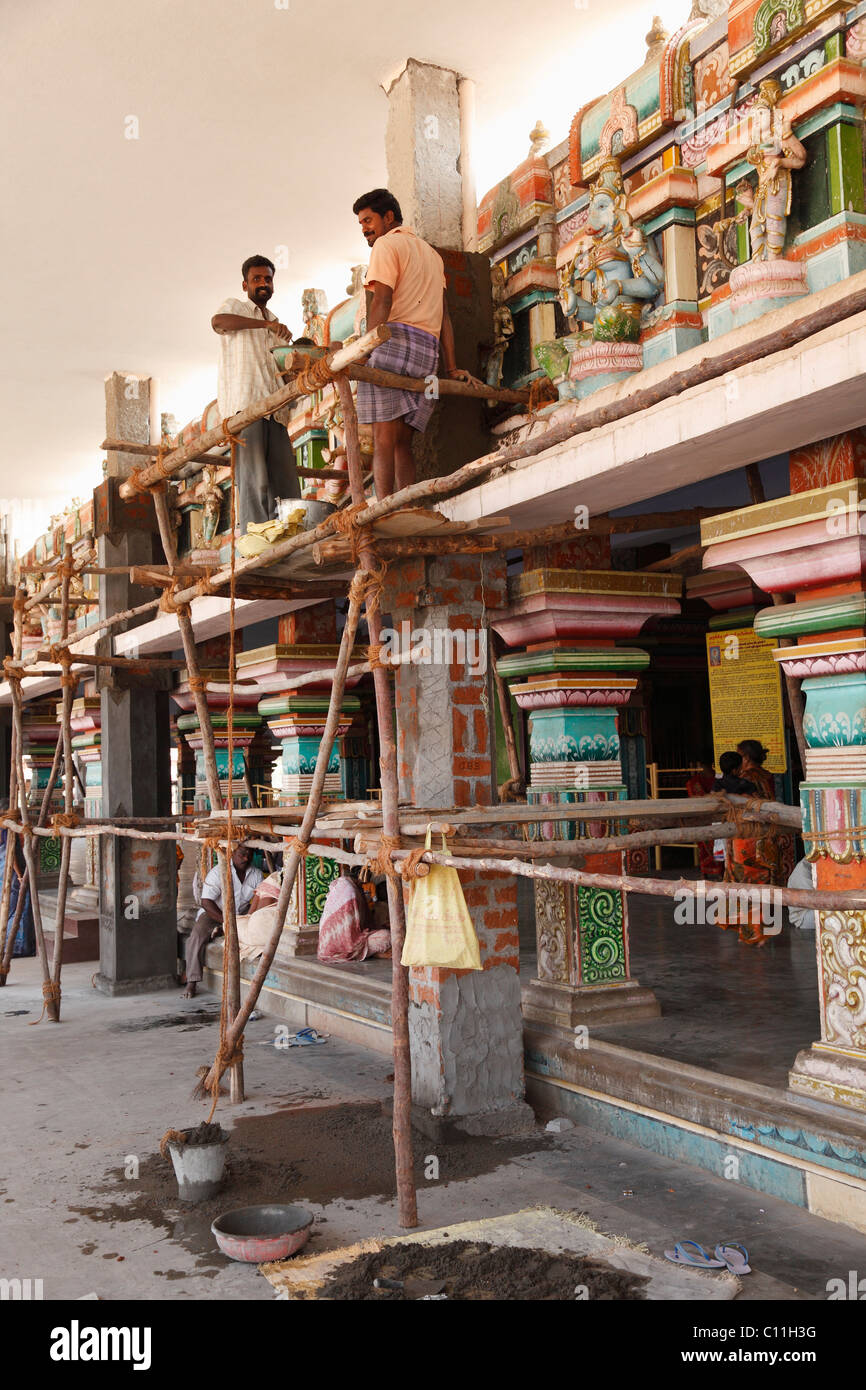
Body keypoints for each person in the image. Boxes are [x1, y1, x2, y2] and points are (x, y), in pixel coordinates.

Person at [352, 188, 479, 498]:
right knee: (402, 441)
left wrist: (364, 350)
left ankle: (383, 507)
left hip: (392, 341)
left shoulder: (386, 244)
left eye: (368, 220)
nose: (365, 229)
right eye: (361, 224)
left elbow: (382, 299)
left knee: (383, 434)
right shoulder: (432, 255)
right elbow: (444, 317)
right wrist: (450, 366)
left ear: (389, 217)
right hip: (427, 352)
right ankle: (406, 502)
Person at [211, 255, 301, 532]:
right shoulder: (235, 307)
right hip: (245, 410)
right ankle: (256, 539)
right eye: (257, 279)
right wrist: (265, 326)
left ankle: (291, 535)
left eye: (268, 279)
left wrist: (297, 370)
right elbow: (218, 322)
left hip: (275, 413)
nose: (263, 284)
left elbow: (281, 372)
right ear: (245, 284)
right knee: (254, 480)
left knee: (286, 481)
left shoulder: (276, 324)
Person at [721, 738, 796, 947]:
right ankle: (757, 929)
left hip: (746, 837)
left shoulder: (743, 778)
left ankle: (754, 932)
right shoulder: (766, 776)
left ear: (744, 758)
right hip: (766, 835)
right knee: (760, 882)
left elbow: (738, 808)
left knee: (746, 884)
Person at [182, 843, 263, 997]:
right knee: (197, 936)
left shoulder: (256, 874)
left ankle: (221, 930)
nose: (246, 858)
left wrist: (249, 919)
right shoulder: (218, 872)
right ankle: (191, 981)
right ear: (232, 853)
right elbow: (206, 902)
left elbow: (258, 900)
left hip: (240, 913)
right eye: (242, 854)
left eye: (250, 854)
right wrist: (226, 921)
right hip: (214, 913)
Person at [317, 866, 391, 963]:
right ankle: (367, 953)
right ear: (362, 876)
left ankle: (368, 952)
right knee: (387, 937)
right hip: (347, 947)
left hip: (324, 948)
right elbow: (355, 932)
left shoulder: (339, 886)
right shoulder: (350, 892)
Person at [686, 757, 722, 880]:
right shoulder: (695, 781)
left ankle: (720, 871)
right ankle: (706, 872)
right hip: (703, 816)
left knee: (719, 844)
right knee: (703, 846)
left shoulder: (718, 780)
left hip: (719, 816)